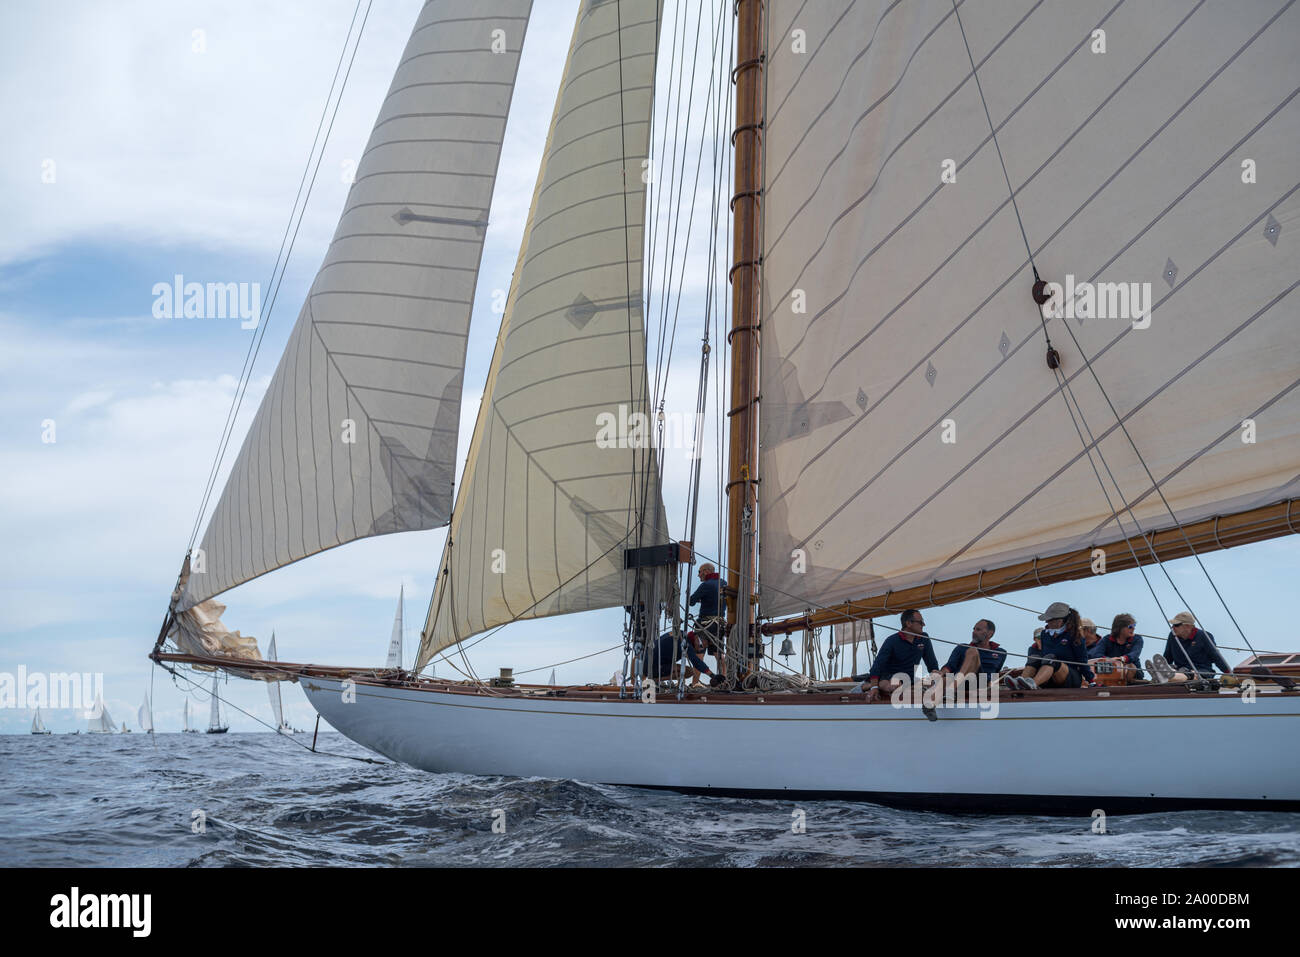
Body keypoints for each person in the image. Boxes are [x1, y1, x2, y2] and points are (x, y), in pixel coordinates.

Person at [1006, 602, 1095, 689]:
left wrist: (1091, 681)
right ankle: (1020, 683)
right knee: (1035, 657)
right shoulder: (1045, 634)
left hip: (1070, 678)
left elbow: (1082, 661)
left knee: (1051, 658)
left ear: (1060, 621)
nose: (1046, 622)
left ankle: (1033, 683)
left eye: (1049, 620)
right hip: (1050, 676)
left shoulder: (1075, 635)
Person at [855, 609, 939, 702]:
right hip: (888, 677)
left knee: (931, 682)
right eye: (920, 622)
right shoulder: (892, 641)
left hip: (909, 680)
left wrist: (937, 681)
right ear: (908, 623)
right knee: (895, 685)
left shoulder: (924, 639)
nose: (923, 624)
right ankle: (868, 685)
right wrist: (874, 687)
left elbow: (932, 665)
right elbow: (877, 665)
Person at [1162, 612, 1230, 679]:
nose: (1172, 627)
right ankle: (1162, 673)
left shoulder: (1203, 636)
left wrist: (1229, 673)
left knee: (1188, 674)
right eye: (1172, 625)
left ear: (1187, 626)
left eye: (1176, 625)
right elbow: (1167, 657)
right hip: (1179, 670)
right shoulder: (1173, 636)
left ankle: (1168, 675)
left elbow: (1216, 657)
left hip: (1201, 671)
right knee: (1174, 670)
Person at [938, 619, 1007, 679]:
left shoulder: (1001, 653)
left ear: (990, 634)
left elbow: (995, 674)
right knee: (943, 681)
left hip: (983, 685)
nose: (974, 632)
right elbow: (949, 666)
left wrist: (992, 689)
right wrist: (940, 673)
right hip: (962, 683)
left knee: (972, 651)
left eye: (978, 629)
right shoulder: (962, 648)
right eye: (974, 629)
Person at [688, 563, 725, 662]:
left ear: (706, 571)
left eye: (699, 572)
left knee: (699, 654)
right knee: (719, 654)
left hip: (705, 625)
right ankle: (725, 676)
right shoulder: (724, 583)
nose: (698, 575)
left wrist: (700, 599)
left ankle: (696, 678)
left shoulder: (705, 585)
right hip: (719, 625)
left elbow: (691, 601)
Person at [1093, 613, 1144, 680]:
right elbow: (1097, 654)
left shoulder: (1137, 639)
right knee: (1098, 666)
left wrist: (1122, 659)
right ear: (1120, 628)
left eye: (1134, 625)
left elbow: (1134, 654)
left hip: (1134, 672)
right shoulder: (1106, 639)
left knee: (1131, 667)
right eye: (1130, 626)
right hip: (1111, 672)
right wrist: (1110, 660)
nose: (1133, 628)